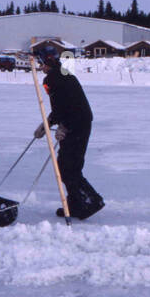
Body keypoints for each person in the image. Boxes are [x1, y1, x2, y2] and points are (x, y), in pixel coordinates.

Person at [32, 44, 104, 219]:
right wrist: (49, 123)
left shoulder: (52, 79)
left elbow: (63, 106)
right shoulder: (63, 73)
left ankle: (91, 201)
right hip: (80, 121)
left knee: (67, 166)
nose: (40, 67)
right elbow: (64, 105)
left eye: (41, 63)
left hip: (77, 123)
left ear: (46, 61)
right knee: (69, 165)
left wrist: (62, 126)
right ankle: (75, 204)